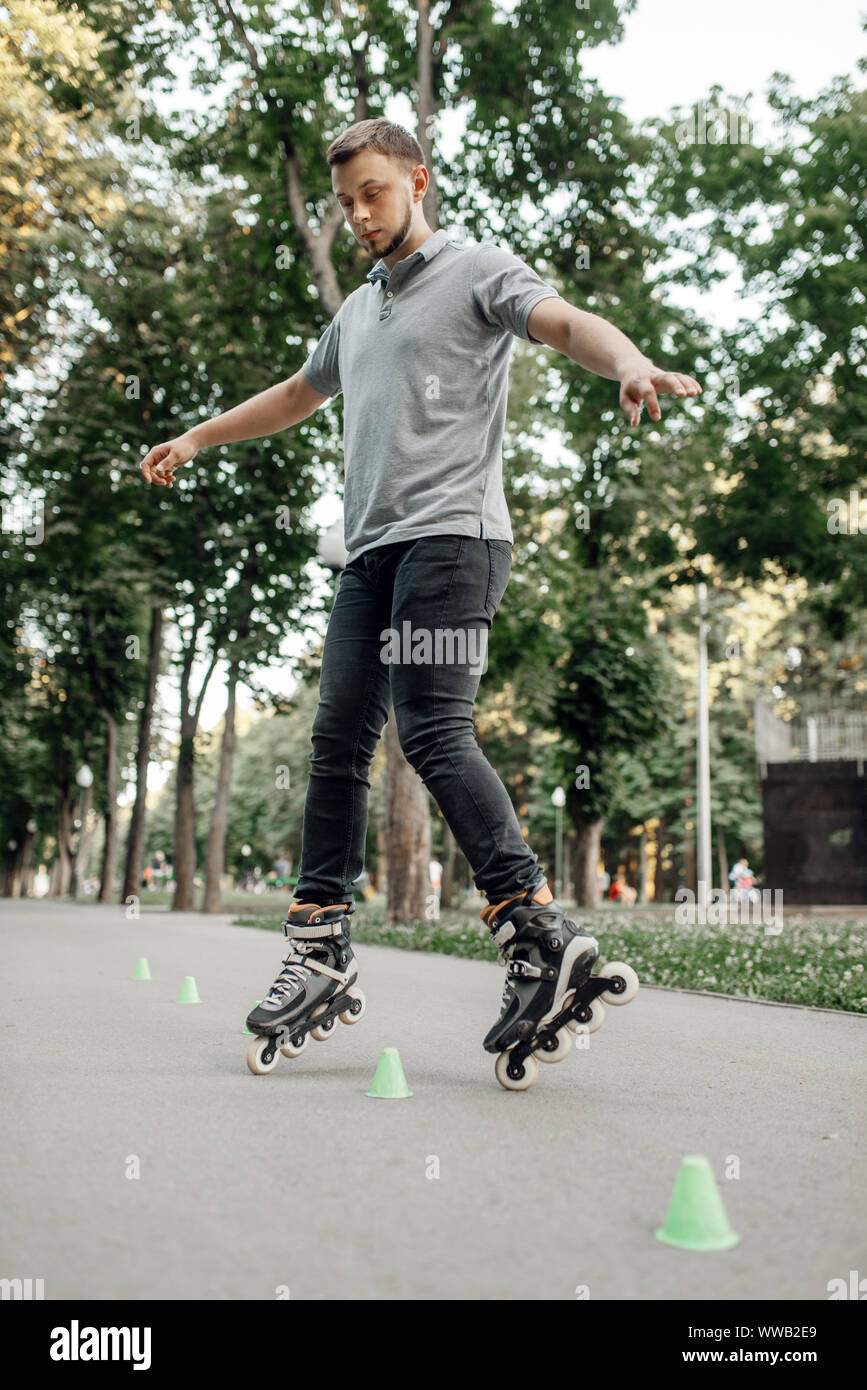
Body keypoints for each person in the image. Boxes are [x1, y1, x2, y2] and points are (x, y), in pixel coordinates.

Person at [140, 118, 701, 1076]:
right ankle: (318, 942)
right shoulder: (357, 311)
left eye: (374, 193)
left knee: (433, 730)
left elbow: (563, 322)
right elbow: (294, 393)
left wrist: (630, 363)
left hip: (452, 544)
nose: (359, 215)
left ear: (416, 181)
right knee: (334, 744)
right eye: (346, 201)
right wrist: (195, 438)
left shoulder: (477, 269)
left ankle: (533, 930)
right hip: (368, 560)